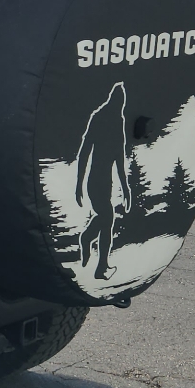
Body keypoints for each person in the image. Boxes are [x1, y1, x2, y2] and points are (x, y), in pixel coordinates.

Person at [75, 82, 131, 280]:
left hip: (105, 180)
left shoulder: (118, 119)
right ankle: (100, 265)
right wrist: (78, 185)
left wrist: (125, 188)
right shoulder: (100, 118)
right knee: (107, 218)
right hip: (96, 179)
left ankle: (89, 242)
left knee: (106, 218)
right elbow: (85, 152)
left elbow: (119, 158)